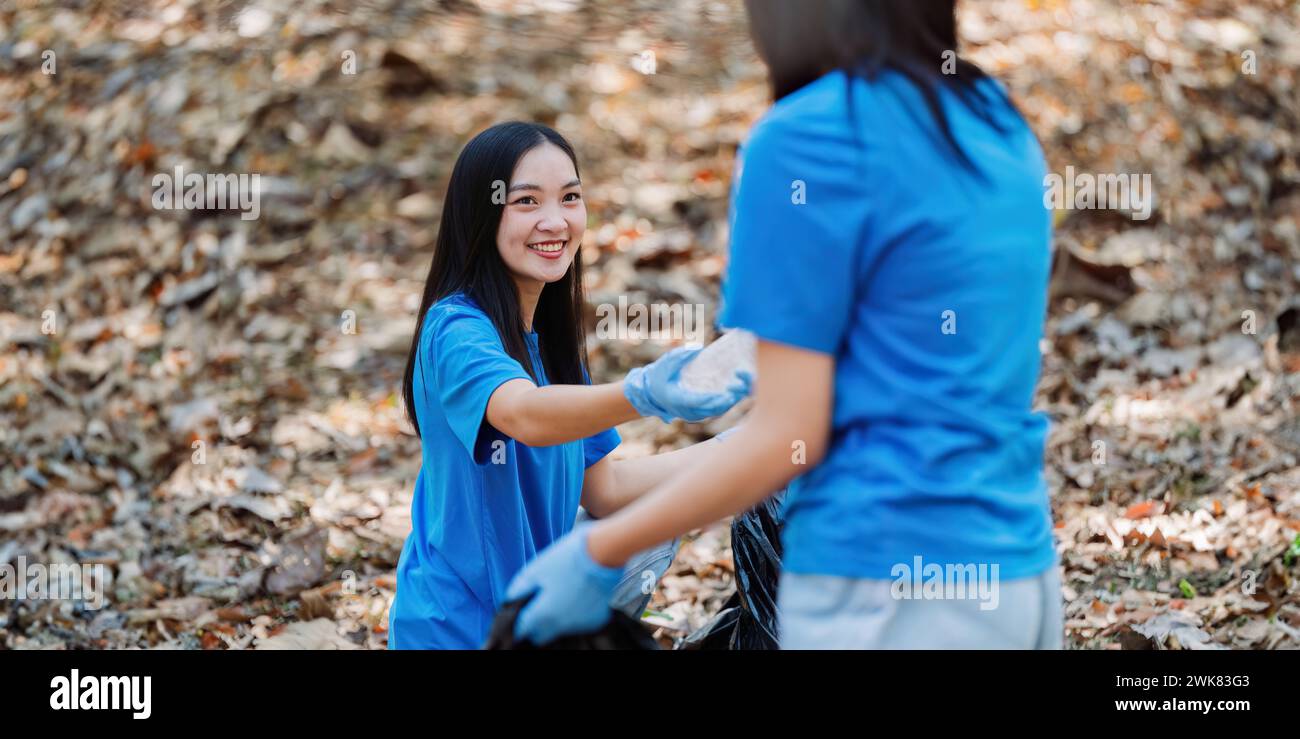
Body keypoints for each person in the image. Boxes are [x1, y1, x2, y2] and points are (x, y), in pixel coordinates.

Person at [506, 0, 1064, 650]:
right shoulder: (995, 119)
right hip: (1018, 572)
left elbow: (785, 437)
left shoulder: (807, 137)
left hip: (874, 586)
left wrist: (596, 552)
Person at [388, 121, 751, 649]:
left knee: (650, 529)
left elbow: (607, 493)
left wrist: (747, 447)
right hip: (457, 631)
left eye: (570, 198)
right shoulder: (456, 328)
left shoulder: (546, 343)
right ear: (481, 213)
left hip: (537, 612)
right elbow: (524, 415)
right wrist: (643, 393)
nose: (554, 221)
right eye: (527, 202)